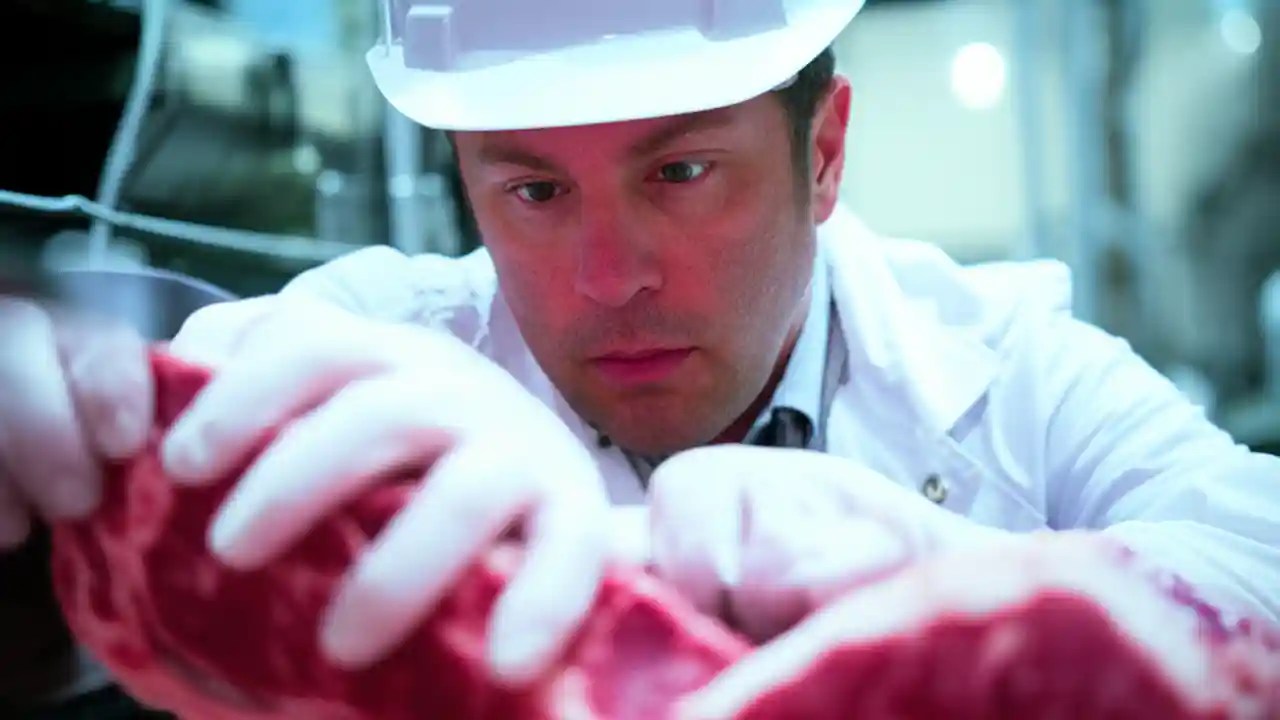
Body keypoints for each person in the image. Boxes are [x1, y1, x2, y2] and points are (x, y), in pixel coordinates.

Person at [1, 0, 1277, 701]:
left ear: (821, 154)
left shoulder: (1007, 365)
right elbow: (159, 400)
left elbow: (1254, 557)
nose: (606, 280)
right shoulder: (383, 342)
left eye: (678, 172)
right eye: (532, 194)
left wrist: (933, 566)